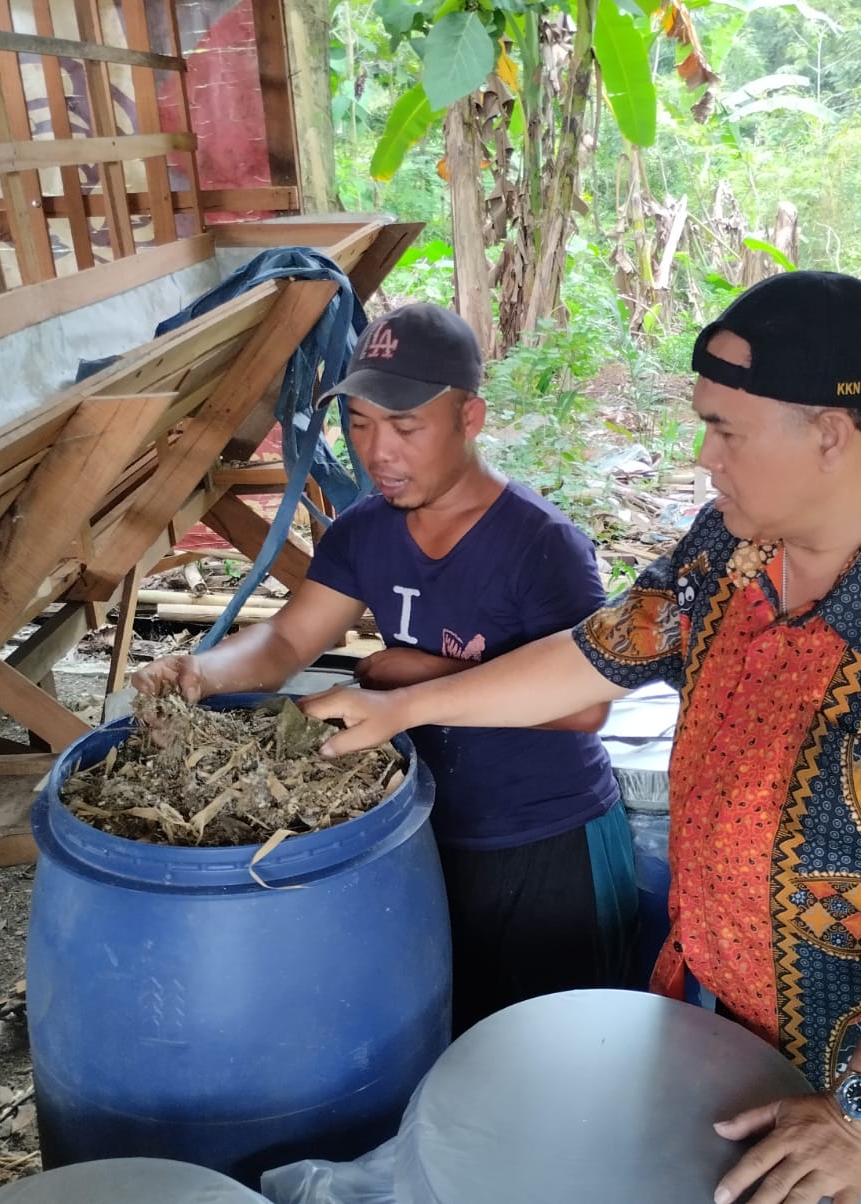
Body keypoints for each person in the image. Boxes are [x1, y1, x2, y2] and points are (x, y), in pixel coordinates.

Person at [301, 272, 861, 1204]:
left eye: (726, 430)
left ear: (829, 432)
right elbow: (595, 656)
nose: (705, 457)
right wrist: (405, 709)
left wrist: (858, 1112)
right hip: (735, 1038)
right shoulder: (731, 547)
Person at [131, 302, 638, 1035]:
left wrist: (412, 677)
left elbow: (587, 708)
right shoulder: (364, 534)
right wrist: (201, 672)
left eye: (405, 427)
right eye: (361, 424)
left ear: (471, 418)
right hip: (419, 834)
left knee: (555, 1051)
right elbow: (282, 645)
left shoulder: (542, 545)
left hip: (546, 843)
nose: (378, 453)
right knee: (447, 1040)